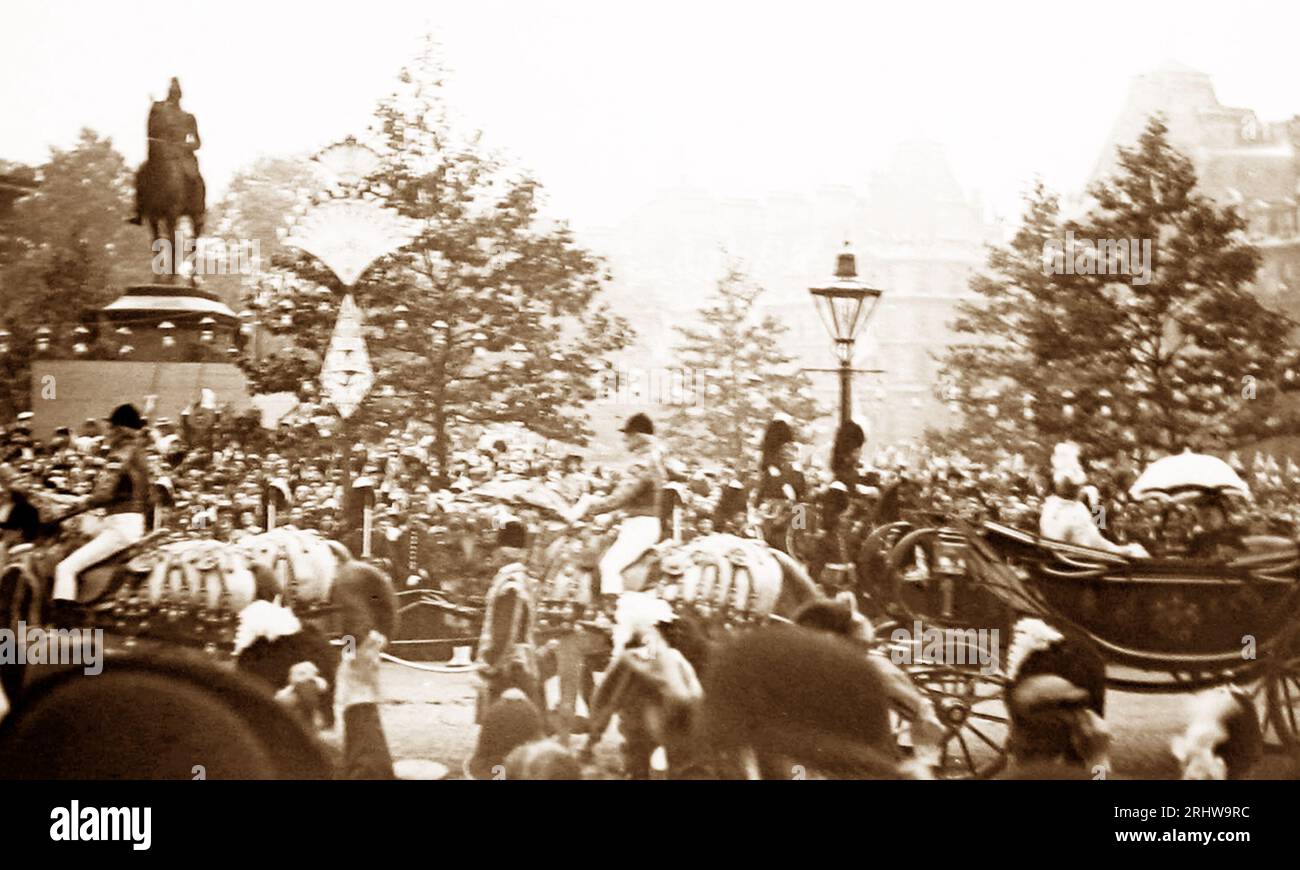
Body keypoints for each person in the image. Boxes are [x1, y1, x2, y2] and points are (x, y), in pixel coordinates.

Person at [52, 404, 153, 606]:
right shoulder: (140, 453)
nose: (108, 432)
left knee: (65, 568)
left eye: (112, 428)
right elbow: (149, 497)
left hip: (119, 526)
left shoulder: (120, 453)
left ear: (120, 429)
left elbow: (103, 494)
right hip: (130, 523)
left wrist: (76, 505)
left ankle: (63, 621)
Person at [564, 413, 665, 598]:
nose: (625, 439)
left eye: (629, 435)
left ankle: (610, 616)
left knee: (609, 566)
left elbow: (620, 498)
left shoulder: (643, 463)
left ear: (639, 437)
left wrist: (590, 506)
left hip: (641, 526)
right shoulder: (650, 459)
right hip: (637, 523)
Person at [1039, 442, 1147, 558]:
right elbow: (1100, 528)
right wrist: (1097, 505)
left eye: (1106, 476)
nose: (1104, 479)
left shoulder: (1111, 498)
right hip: (1087, 551)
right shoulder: (1088, 497)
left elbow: (1102, 529)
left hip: (1101, 543)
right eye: (1102, 475)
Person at [128, 78, 202, 226]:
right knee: (142, 173)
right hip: (164, 154)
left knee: (195, 178)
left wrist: (184, 146)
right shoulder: (162, 114)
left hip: (182, 157)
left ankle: (198, 211)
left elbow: (197, 142)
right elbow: (152, 131)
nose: (173, 97)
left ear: (179, 96)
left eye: (175, 94)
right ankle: (139, 211)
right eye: (171, 94)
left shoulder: (188, 118)